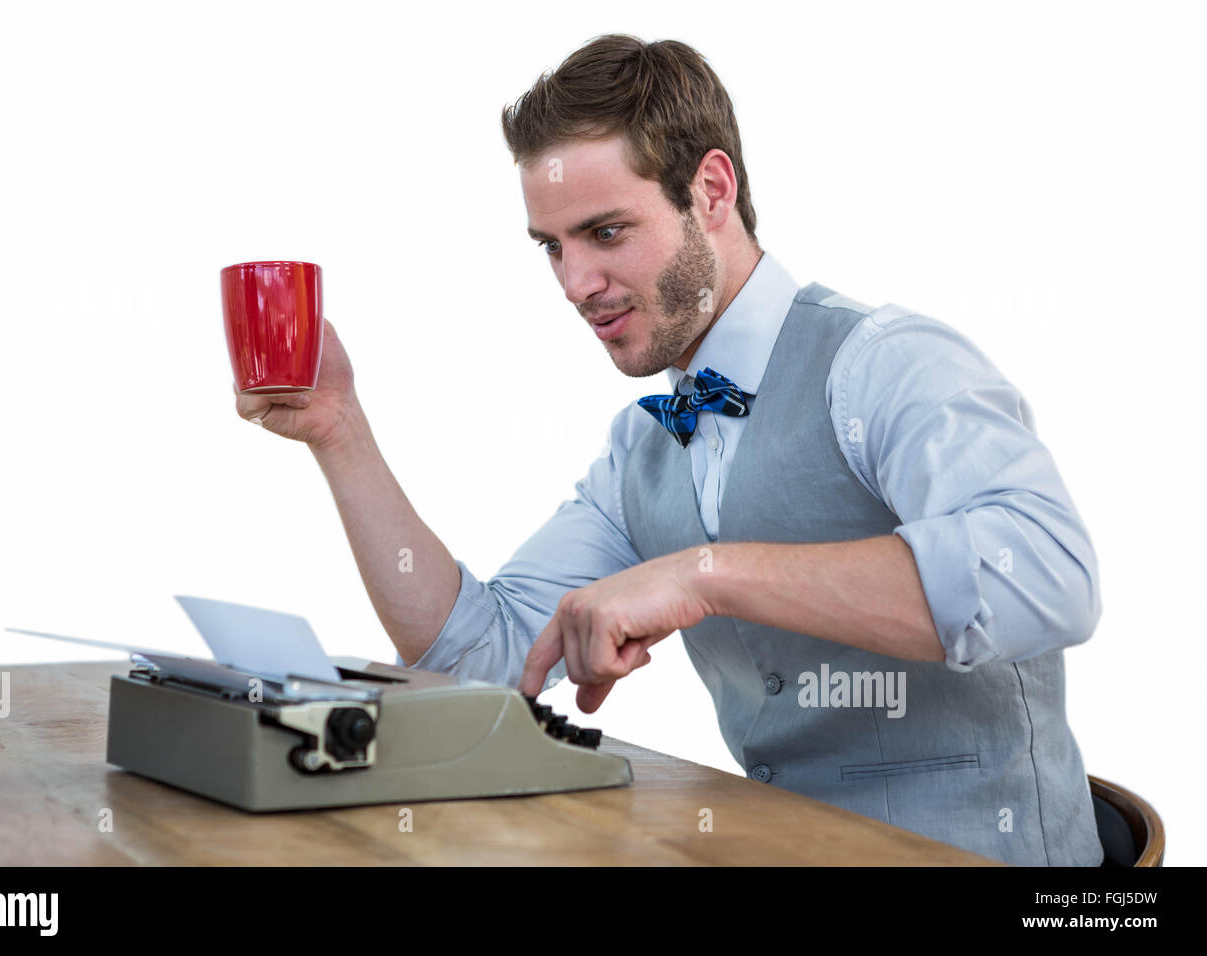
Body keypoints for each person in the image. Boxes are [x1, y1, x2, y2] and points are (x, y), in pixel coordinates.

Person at [235, 34, 1103, 867]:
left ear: (712, 191)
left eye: (606, 232)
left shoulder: (884, 362)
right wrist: (339, 431)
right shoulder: (646, 447)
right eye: (553, 247)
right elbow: (480, 659)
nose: (575, 284)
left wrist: (703, 574)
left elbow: (1048, 573)